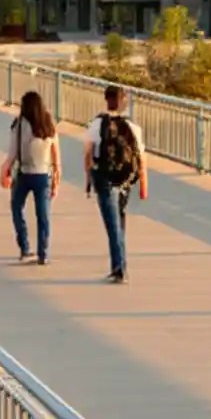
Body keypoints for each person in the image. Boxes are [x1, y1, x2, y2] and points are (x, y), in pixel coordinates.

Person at [83, 85, 148, 284]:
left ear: (106, 99)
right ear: (124, 101)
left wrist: (88, 179)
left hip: (104, 178)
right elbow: (141, 157)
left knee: (113, 225)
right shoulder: (133, 127)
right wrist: (144, 184)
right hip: (125, 180)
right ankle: (120, 263)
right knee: (119, 220)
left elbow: (88, 154)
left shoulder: (96, 125)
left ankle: (119, 268)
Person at [0, 91, 60, 265]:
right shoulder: (48, 123)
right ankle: (43, 252)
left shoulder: (18, 125)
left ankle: (25, 246)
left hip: (24, 174)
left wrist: (4, 171)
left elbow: (12, 153)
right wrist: (57, 176)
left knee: (17, 208)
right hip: (43, 176)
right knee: (43, 215)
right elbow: (55, 151)